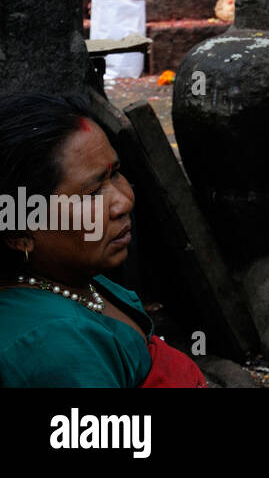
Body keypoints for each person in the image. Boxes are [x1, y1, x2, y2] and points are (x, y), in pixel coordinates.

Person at [0, 94, 206, 387]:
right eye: (92, 193)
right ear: (19, 234)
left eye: (116, 173)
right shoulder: (53, 343)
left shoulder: (70, 276)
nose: (123, 202)